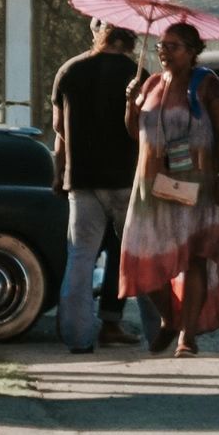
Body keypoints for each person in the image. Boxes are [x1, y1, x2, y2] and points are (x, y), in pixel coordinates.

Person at [119, 20, 219, 357]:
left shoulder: (207, 84)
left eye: (173, 46)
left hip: (196, 185)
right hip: (152, 185)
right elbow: (134, 134)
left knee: (194, 258)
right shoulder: (151, 83)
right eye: (160, 47)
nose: (164, 52)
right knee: (141, 258)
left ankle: (187, 335)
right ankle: (171, 317)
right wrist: (130, 104)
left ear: (192, 51)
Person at [51, 21, 143, 353]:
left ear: (98, 34)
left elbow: (59, 128)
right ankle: (149, 328)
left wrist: (59, 172)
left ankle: (77, 337)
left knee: (80, 257)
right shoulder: (138, 74)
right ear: (129, 37)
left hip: (82, 179)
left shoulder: (69, 71)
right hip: (125, 180)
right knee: (135, 254)